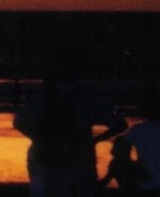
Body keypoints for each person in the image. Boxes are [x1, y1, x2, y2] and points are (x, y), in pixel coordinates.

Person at [14, 53, 126, 197]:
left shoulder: (41, 96)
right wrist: (95, 140)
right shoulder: (87, 98)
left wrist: (36, 138)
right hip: (75, 161)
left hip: (46, 159)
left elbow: (19, 123)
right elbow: (120, 124)